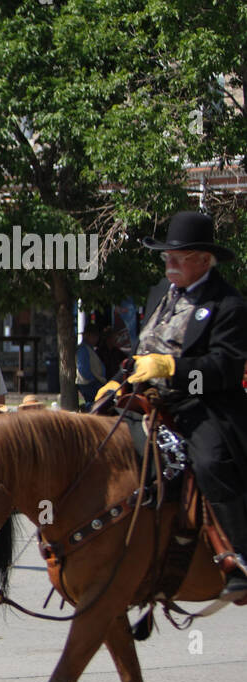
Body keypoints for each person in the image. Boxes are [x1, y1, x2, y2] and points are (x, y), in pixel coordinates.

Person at [97, 211, 247, 602]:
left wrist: (173, 369)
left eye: (177, 256)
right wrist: (118, 379)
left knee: (212, 461)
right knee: (91, 436)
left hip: (202, 403)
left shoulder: (228, 304)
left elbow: (226, 369)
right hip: (146, 396)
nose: (169, 263)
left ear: (203, 259)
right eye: (166, 257)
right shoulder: (159, 292)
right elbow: (144, 349)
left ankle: (238, 555)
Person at [76, 322, 105, 406]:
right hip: (88, 383)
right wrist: (92, 380)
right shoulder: (83, 349)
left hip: (93, 382)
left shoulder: (90, 349)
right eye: (93, 336)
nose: (96, 339)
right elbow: (83, 368)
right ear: (86, 336)